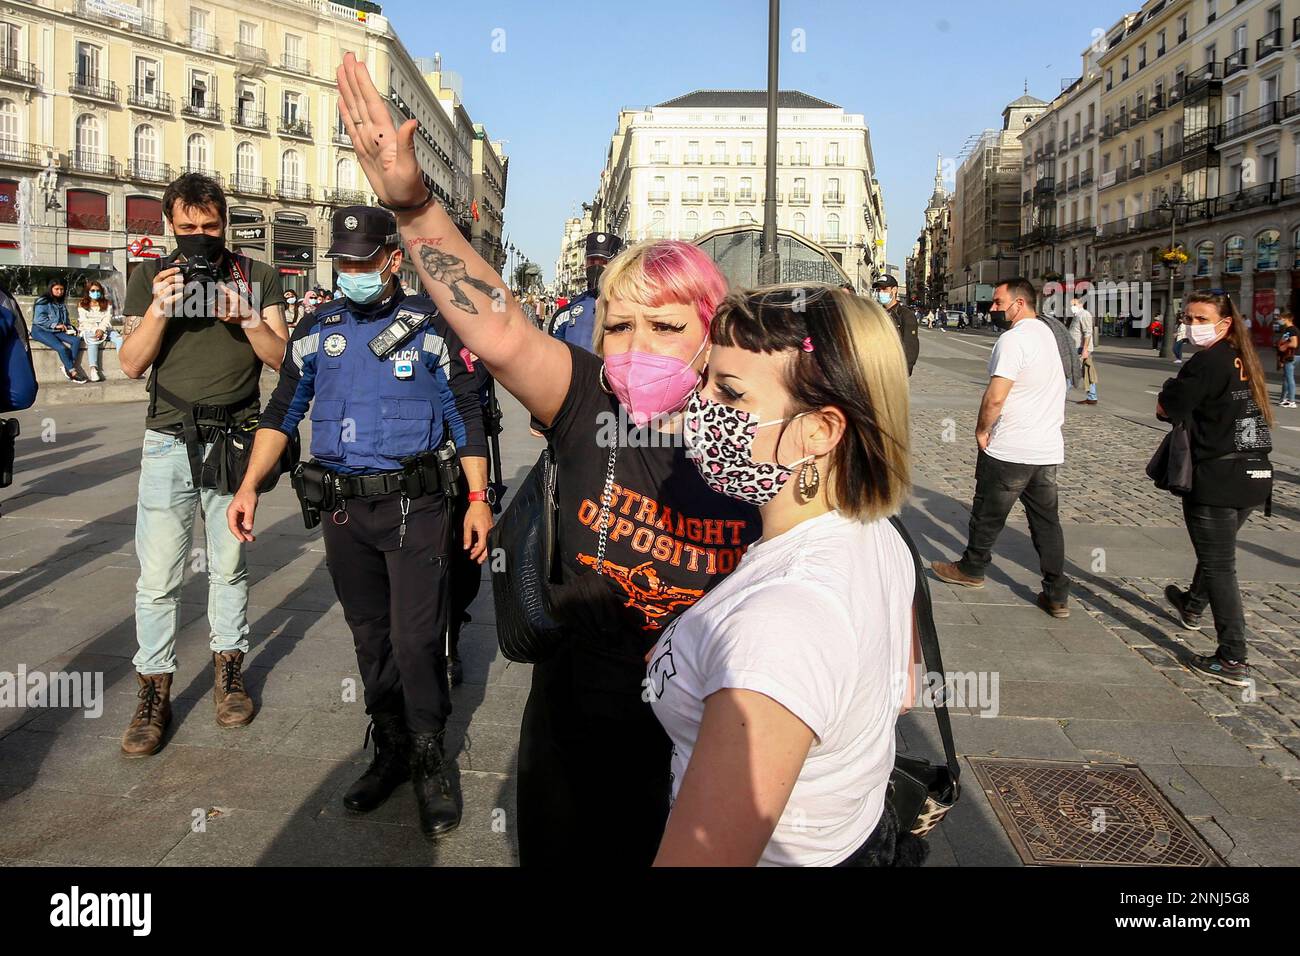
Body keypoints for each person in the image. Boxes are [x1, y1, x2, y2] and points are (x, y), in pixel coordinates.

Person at [336, 51, 760, 866]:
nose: (638, 347)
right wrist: (416, 205)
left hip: (707, 728)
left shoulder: (751, 432)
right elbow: (495, 326)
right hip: (575, 716)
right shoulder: (587, 396)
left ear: (713, 331)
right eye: (620, 325)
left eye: (667, 327)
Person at [229, 205, 489, 838]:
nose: (350, 273)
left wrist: (479, 498)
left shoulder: (431, 327)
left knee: (416, 637)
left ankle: (431, 755)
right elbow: (284, 408)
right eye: (342, 263)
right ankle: (392, 746)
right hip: (345, 508)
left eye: (362, 263)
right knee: (369, 636)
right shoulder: (317, 329)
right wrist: (249, 485)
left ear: (392, 261)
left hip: (416, 506)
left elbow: (465, 413)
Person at [647, 285, 923, 866]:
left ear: (820, 430)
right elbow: (903, 690)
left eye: (730, 392)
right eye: (705, 381)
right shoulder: (880, 533)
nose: (698, 407)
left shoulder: (781, 623)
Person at [117, 172, 289, 757]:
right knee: (159, 576)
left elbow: (281, 359)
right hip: (167, 438)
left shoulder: (257, 275)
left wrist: (246, 317)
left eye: (209, 227)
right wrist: (161, 309)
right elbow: (131, 364)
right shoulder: (149, 276)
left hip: (235, 438)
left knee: (230, 565)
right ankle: (153, 689)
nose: (199, 237)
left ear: (225, 224)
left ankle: (229, 672)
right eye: (187, 228)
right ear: (170, 224)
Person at [931, 278, 1070, 617]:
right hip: (1046, 447)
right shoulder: (1049, 334)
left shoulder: (1013, 339)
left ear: (1019, 304)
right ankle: (1056, 592)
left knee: (987, 514)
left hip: (1011, 446)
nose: (992, 309)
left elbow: (995, 396)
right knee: (1046, 522)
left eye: (997, 302)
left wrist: (982, 429)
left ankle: (972, 568)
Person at [1159, 291, 1274, 687]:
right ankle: (1191, 605)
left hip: (1217, 478)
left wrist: (1170, 393)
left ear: (1224, 323)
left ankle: (1232, 658)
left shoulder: (1206, 362)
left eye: (1201, 318)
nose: (1192, 324)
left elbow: (1167, 407)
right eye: (1188, 316)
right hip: (1254, 474)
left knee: (1220, 566)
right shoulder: (1244, 359)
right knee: (1217, 553)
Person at [446, 343, 502, 687]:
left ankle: (450, 636)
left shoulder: (475, 328)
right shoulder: (412, 316)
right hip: (413, 447)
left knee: (463, 556)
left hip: (467, 450)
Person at [546, 231, 623, 350]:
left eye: (603, 261)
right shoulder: (569, 311)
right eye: (592, 261)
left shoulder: (630, 306)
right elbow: (554, 353)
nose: (596, 266)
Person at [31, 280, 86, 383]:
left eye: (61, 289)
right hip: (41, 330)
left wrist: (71, 328)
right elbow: (38, 320)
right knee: (61, 348)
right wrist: (55, 325)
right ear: (51, 289)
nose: (59, 291)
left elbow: (65, 320)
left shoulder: (61, 303)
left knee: (76, 340)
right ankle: (72, 372)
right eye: (56, 289)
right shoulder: (42, 301)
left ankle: (67, 366)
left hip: (56, 330)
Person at [871, 275, 919, 375]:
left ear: (894, 290)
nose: (881, 292)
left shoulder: (906, 315)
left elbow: (910, 347)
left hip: (894, 370)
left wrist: (903, 372)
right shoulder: (876, 312)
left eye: (884, 289)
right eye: (879, 290)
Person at [78, 279, 122, 382]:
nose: (95, 293)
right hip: (89, 328)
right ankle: (93, 368)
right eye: (92, 291)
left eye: (98, 291)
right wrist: (95, 329)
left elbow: (107, 318)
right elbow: (84, 321)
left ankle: (124, 364)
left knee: (119, 339)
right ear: (88, 292)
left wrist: (101, 329)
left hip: (105, 328)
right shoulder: (82, 304)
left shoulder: (107, 303)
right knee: (93, 341)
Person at [1068, 295, 1098, 405]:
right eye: (1071, 305)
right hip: (1077, 348)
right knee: (1087, 372)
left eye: (1074, 305)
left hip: (1081, 349)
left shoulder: (1084, 314)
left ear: (1081, 304)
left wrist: (1085, 349)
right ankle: (1092, 396)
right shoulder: (1077, 315)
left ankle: (1061, 394)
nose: (1072, 307)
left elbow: (1088, 333)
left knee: (1072, 371)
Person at [1275, 310, 1296, 408]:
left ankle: (1291, 401)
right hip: (1289, 356)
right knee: (1286, 378)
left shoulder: (1291, 329)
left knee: (1289, 378)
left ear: (1286, 319)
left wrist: (1283, 346)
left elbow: (1294, 343)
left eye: (1280, 318)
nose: (1279, 320)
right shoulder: (1288, 330)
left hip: (1290, 356)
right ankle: (1284, 399)